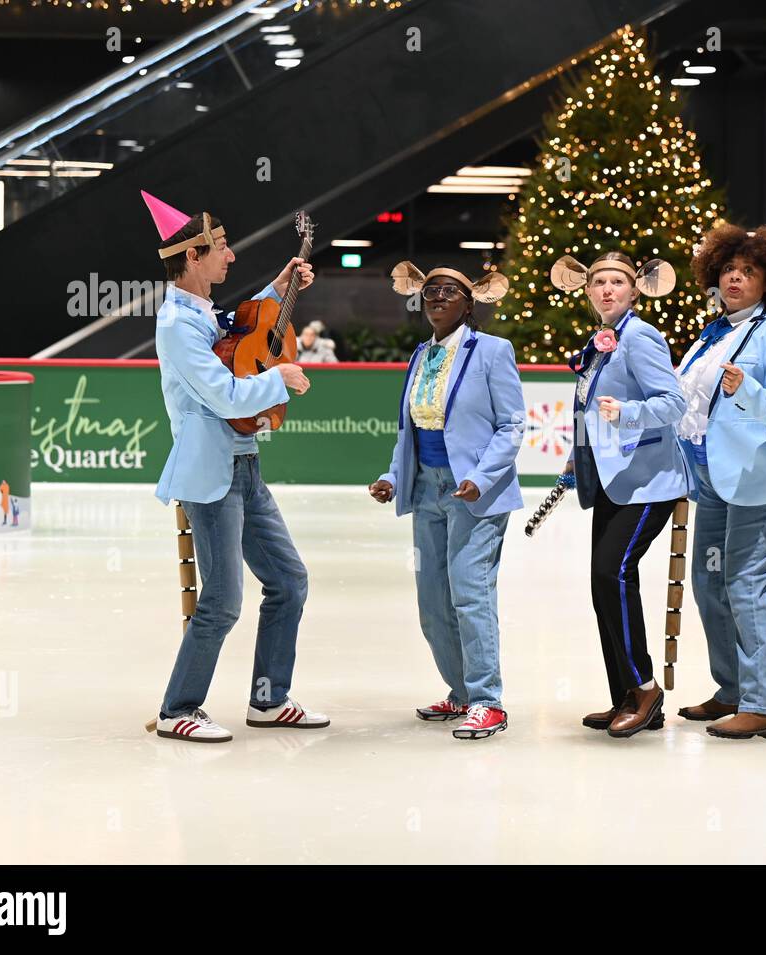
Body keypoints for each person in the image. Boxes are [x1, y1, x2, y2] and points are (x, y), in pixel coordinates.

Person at [141, 189, 328, 744]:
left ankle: (269, 699)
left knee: (289, 581)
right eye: (222, 247)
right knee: (221, 602)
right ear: (193, 257)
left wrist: (282, 284)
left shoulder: (202, 313)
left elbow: (241, 321)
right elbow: (224, 394)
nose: (231, 256)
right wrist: (282, 378)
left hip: (243, 468)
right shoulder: (178, 324)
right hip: (210, 476)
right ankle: (179, 708)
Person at [673, 224, 766, 740]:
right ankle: (731, 688)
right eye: (729, 270)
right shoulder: (711, 334)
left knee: (744, 585)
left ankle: (762, 702)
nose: (736, 278)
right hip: (710, 474)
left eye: (748, 272)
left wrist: (748, 387)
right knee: (708, 582)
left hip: (759, 476)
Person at [369, 263, 524, 741]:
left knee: (469, 592)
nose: (436, 297)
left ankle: (487, 701)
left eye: (449, 292)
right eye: (431, 291)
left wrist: (481, 477)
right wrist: (393, 476)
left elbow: (512, 424)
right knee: (433, 602)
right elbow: (410, 430)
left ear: (468, 303)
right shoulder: (421, 355)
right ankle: (460, 692)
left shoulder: (492, 351)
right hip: (427, 490)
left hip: (474, 493)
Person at [554, 251, 688, 738]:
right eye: (598, 282)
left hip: (649, 481)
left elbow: (673, 403)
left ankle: (646, 689)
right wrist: (579, 454)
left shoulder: (641, 336)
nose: (607, 289)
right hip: (611, 478)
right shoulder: (599, 343)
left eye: (617, 282)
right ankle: (625, 696)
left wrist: (628, 413)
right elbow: (590, 408)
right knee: (601, 583)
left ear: (634, 290)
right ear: (588, 291)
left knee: (613, 573)